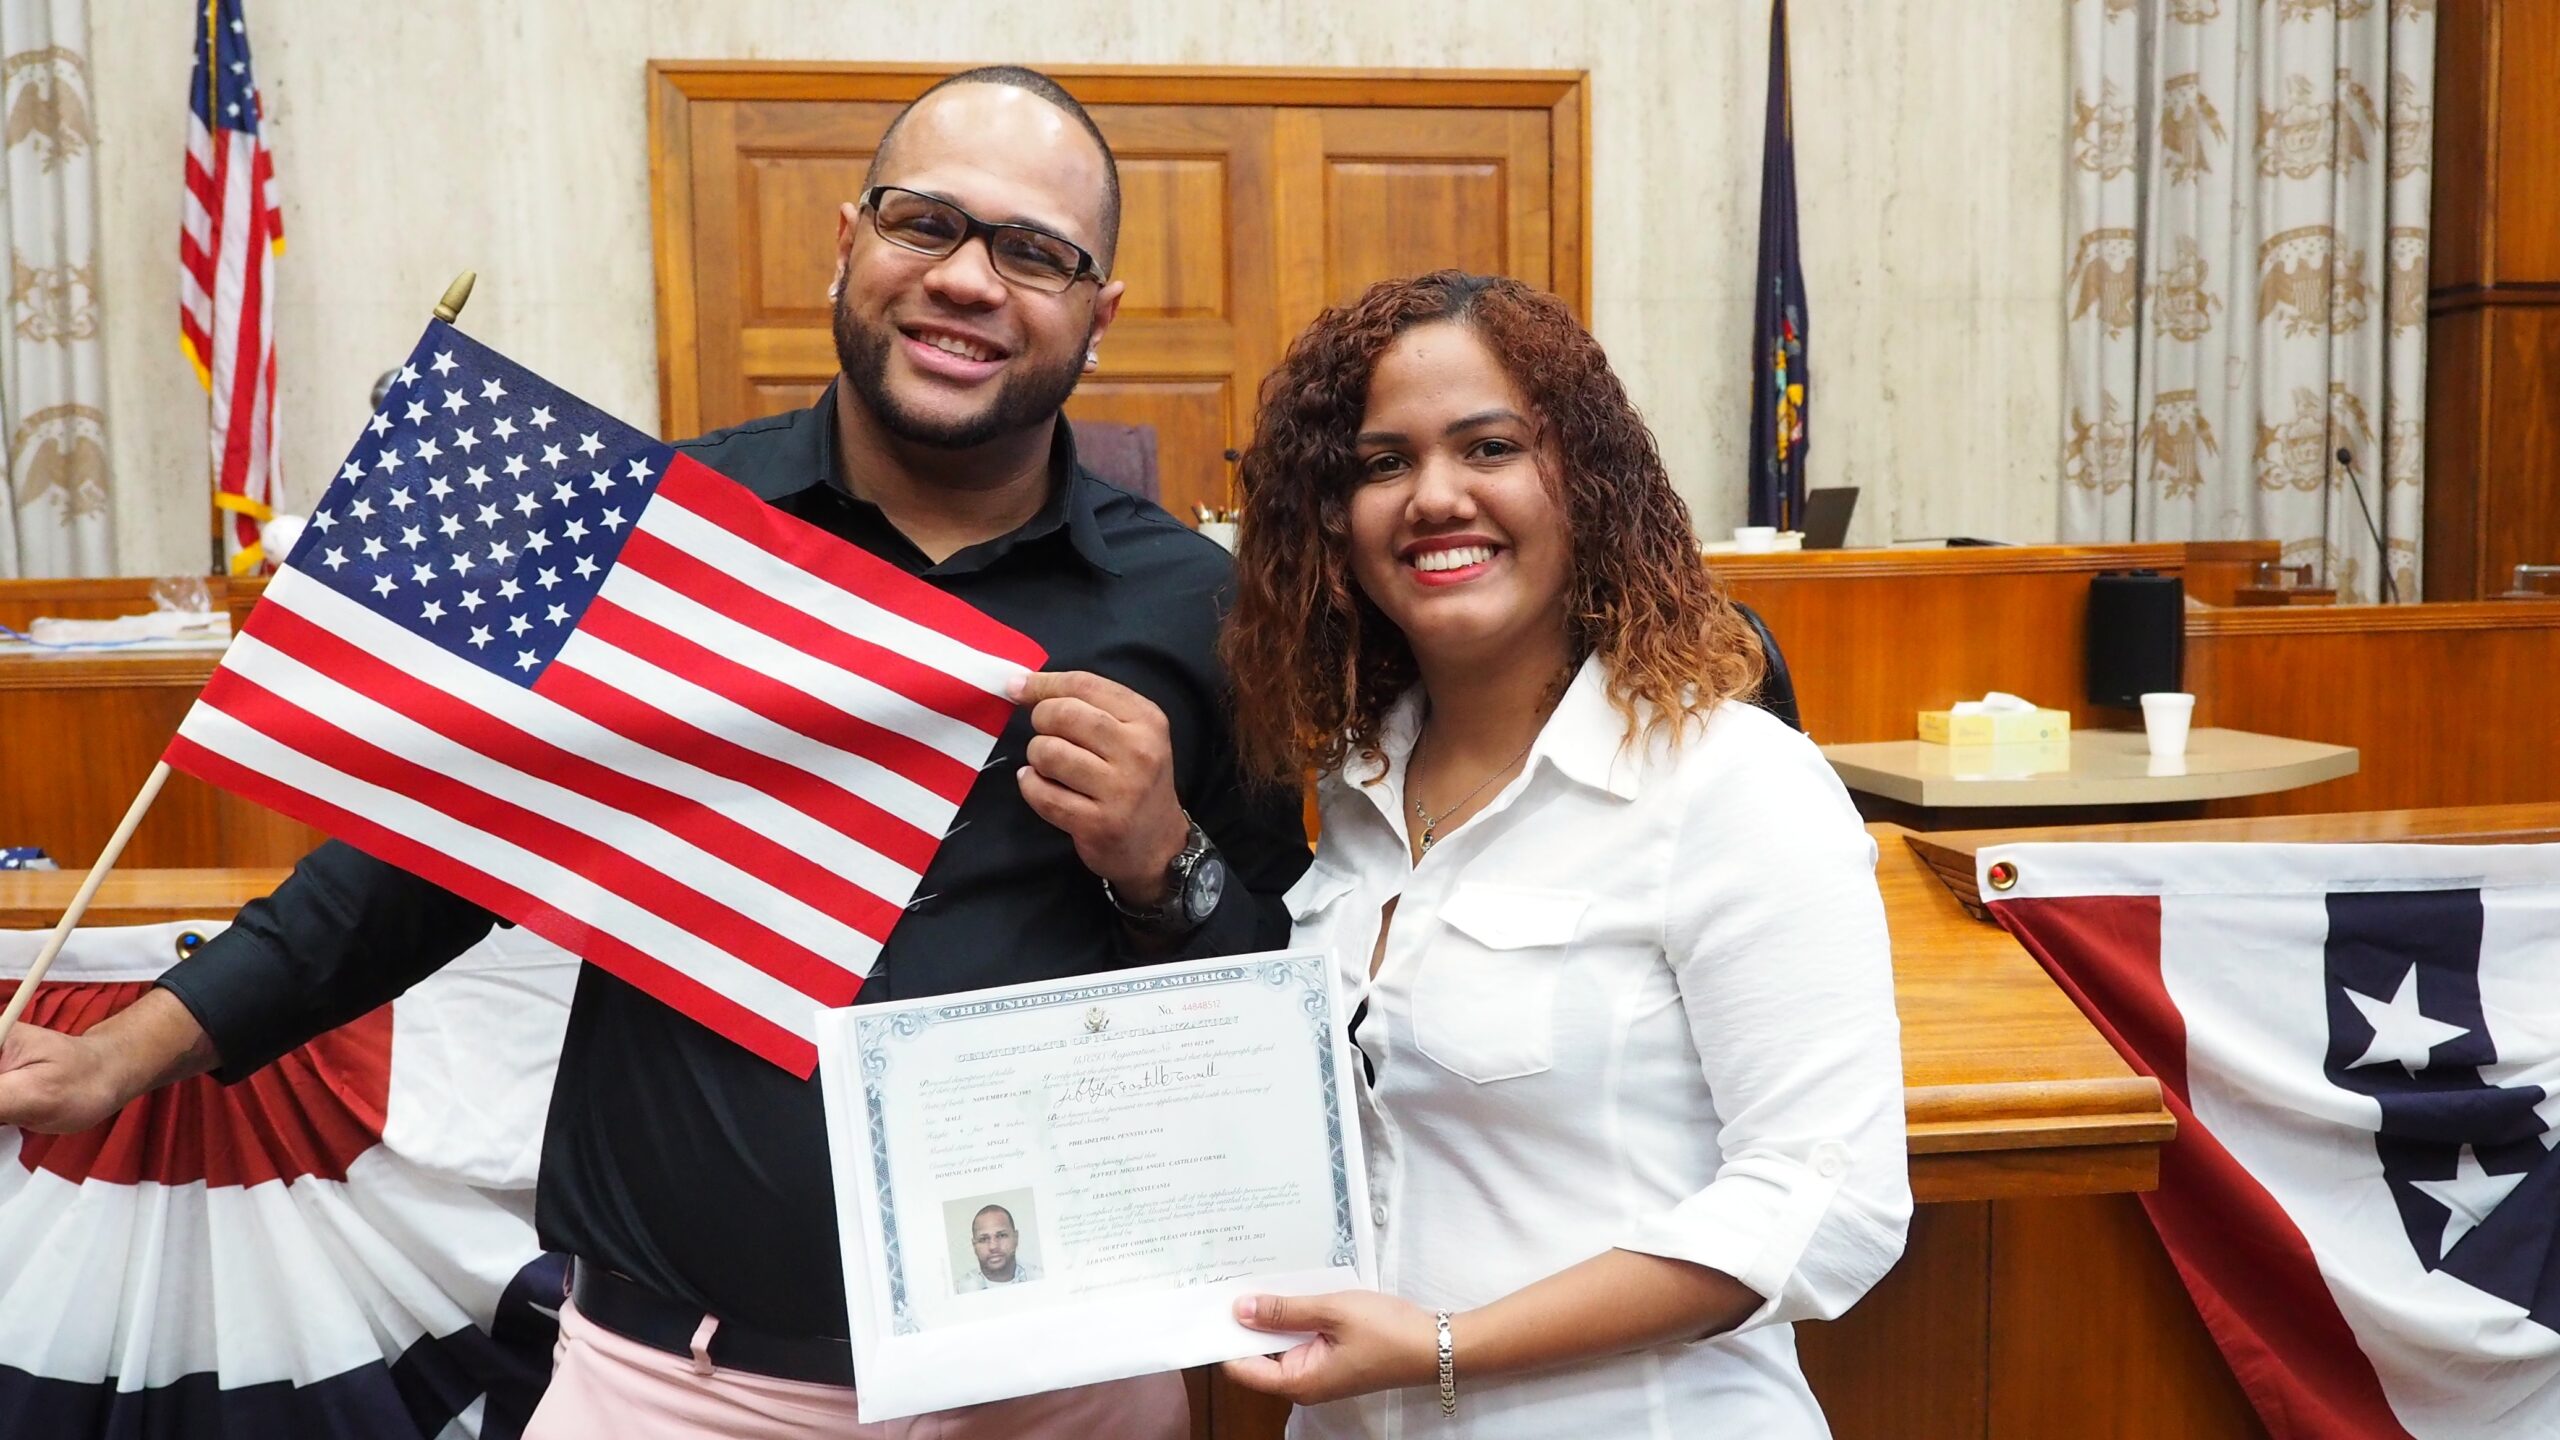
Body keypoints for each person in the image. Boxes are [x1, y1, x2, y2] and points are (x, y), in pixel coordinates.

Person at [0, 66, 1307, 1440]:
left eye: (1035, 252)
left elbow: (1272, 995)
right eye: (927, 222)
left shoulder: (1198, 608)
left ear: (1098, 316)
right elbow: (414, 871)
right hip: (674, 1389)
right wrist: (117, 1057)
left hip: (1055, 1389)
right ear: (848, 243)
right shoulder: (652, 538)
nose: (970, 279)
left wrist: (1165, 861)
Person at [1214, 271, 1908, 1437]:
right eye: (1382, 463)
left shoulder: (1732, 782)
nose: (1434, 496)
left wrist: (1447, 1350)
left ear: (1583, 480)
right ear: (1332, 518)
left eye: (1488, 447)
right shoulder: (1354, 786)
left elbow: (1829, 1204)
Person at [961, 1204, 1041, 1289]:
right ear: (974, 1246)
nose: (993, 1246)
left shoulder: (1040, 1278)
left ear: (1016, 1238)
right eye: (984, 1239)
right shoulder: (960, 1289)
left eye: (1001, 1236)